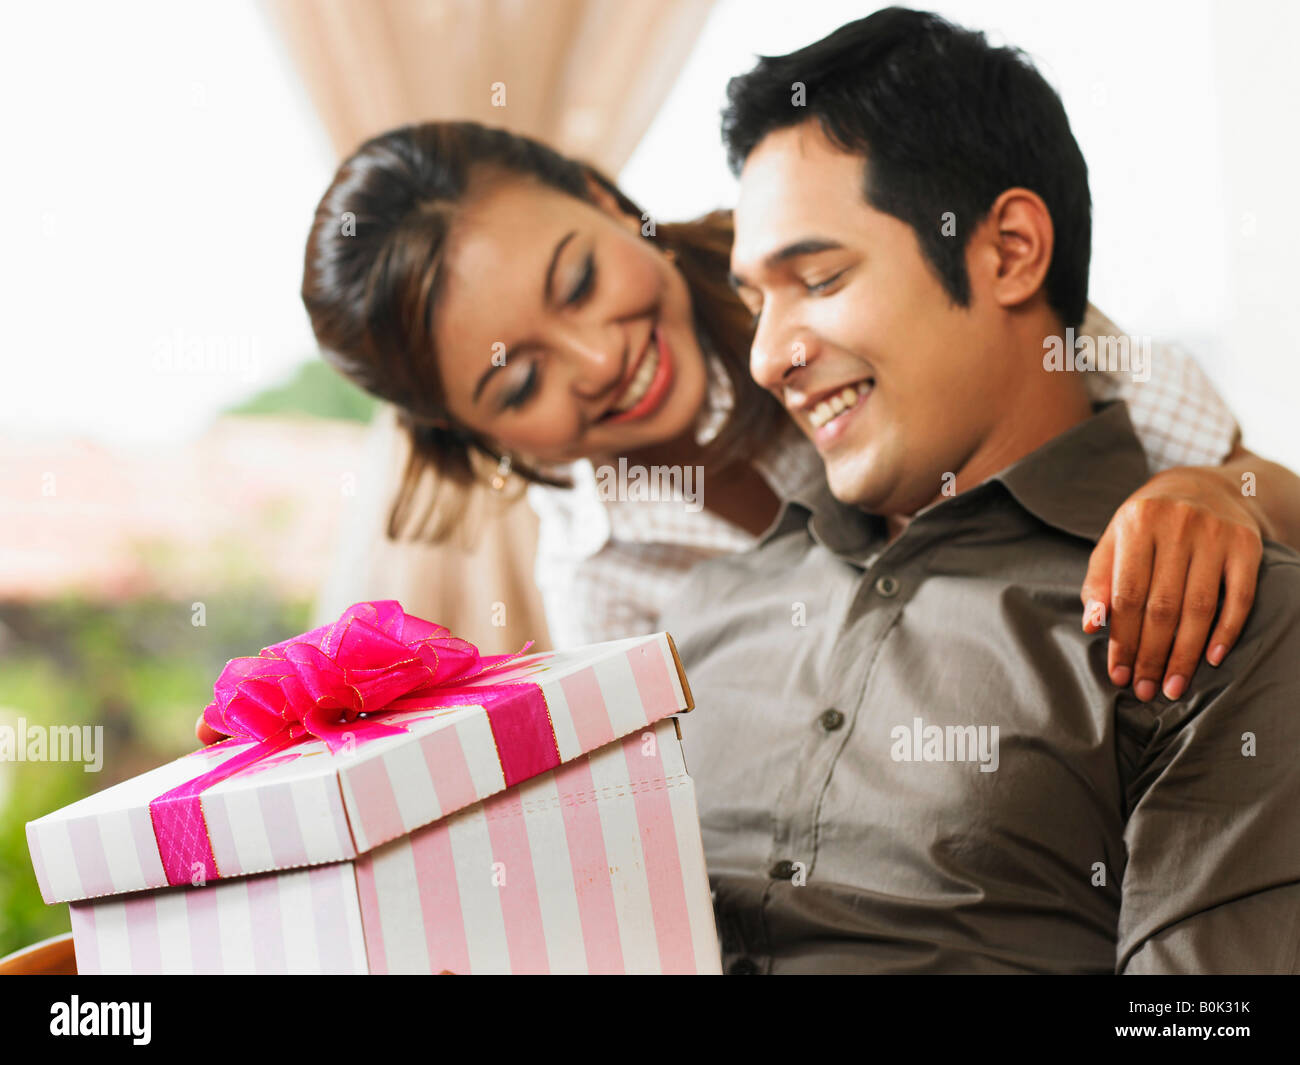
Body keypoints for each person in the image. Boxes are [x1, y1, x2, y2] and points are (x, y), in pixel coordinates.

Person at [656, 6, 1300, 973]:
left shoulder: (1209, 612)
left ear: (1008, 251)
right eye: (756, 303)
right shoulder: (700, 617)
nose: (767, 359)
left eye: (819, 278)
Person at [294, 118, 1300, 706]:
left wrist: (1215, 491)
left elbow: (1266, 488)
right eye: (520, 385)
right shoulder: (603, 587)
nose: (601, 359)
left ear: (607, 200)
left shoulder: (873, 263)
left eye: (580, 279)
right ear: (480, 440)